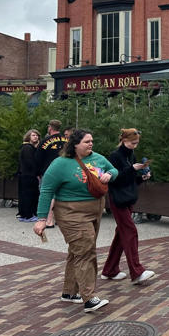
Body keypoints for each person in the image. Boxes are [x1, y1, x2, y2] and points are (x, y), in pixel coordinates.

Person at [33, 129, 118, 313]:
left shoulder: (96, 158)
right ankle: (89, 298)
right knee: (86, 251)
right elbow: (46, 191)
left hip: (95, 211)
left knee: (78, 251)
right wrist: (41, 219)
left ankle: (70, 292)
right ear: (75, 144)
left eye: (92, 141)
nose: (91, 144)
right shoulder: (60, 164)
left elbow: (113, 169)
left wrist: (110, 175)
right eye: (87, 141)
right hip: (71, 213)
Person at [100, 128, 155, 285]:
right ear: (124, 140)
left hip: (128, 197)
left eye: (137, 143)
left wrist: (141, 177)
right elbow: (115, 179)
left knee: (121, 233)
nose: (135, 146)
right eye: (132, 143)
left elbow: (129, 180)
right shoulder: (115, 156)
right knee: (130, 231)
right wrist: (132, 169)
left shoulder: (131, 155)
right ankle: (137, 271)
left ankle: (109, 270)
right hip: (118, 199)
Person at [36, 120, 69, 228]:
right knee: (62, 195)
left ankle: (49, 220)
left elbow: (38, 159)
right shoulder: (68, 141)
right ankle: (60, 219)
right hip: (66, 171)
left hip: (49, 171)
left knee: (49, 195)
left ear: (50, 128)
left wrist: (38, 172)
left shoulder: (45, 141)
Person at [17, 129, 41, 222]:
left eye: (37, 135)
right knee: (30, 195)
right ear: (28, 137)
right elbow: (31, 163)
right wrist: (37, 173)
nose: (36, 137)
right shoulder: (28, 148)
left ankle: (24, 214)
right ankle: (28, 215)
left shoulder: (27, 147)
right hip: (29, 175)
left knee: (25, 195)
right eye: (33, 135)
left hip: (25, 175)